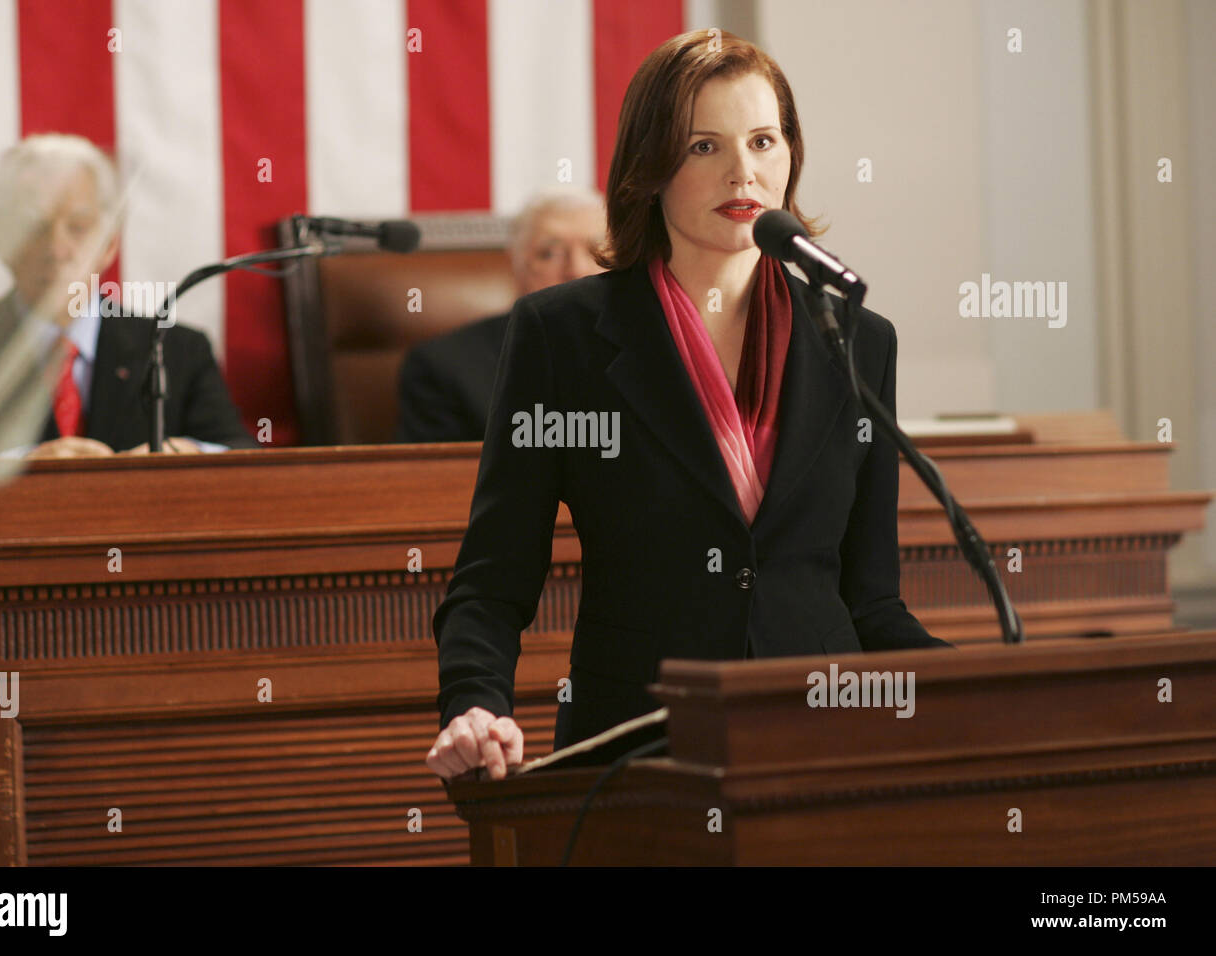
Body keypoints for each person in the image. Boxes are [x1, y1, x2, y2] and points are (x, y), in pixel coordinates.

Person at [425, 30, 952, 782]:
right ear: (651, 166)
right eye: (705, 146)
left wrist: (977, 689)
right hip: (638, 746)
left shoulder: (860, 339)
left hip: (824, 747)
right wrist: (474, 705)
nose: (744, 170)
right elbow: (493, 578)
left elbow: (869, 603)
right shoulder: (561, 336)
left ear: (791, 154)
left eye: (764, 140)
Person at [0, 134, 255, 461]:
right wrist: (21, 464)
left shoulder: (176, 349)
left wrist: (189, 454)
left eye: (78, 227)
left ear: (109, 244)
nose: (57, 249)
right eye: (34, 226)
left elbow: (241, 453)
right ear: (1, 237)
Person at [394, 185, 605, 442]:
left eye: (596, 251)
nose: (576, 269)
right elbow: (435, 479)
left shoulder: (655, 350)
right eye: (550, 253)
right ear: (515, 264)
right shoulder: (444, 367)